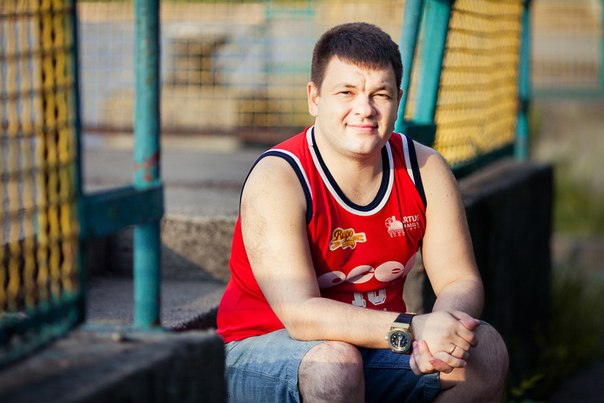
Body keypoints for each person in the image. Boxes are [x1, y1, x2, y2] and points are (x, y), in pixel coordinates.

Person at [217, 22, 508, 402]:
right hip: (263, 351)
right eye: (346, 92)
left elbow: (459, 279)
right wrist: (413, 328)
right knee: (335, 365)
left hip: (375, 345)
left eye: (380, 94)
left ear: (398, 100)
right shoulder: (280, 177)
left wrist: (442, 332)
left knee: (485, 352)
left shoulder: (425, 169)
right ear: (314, 98)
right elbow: (300, 313)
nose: (364, 109)